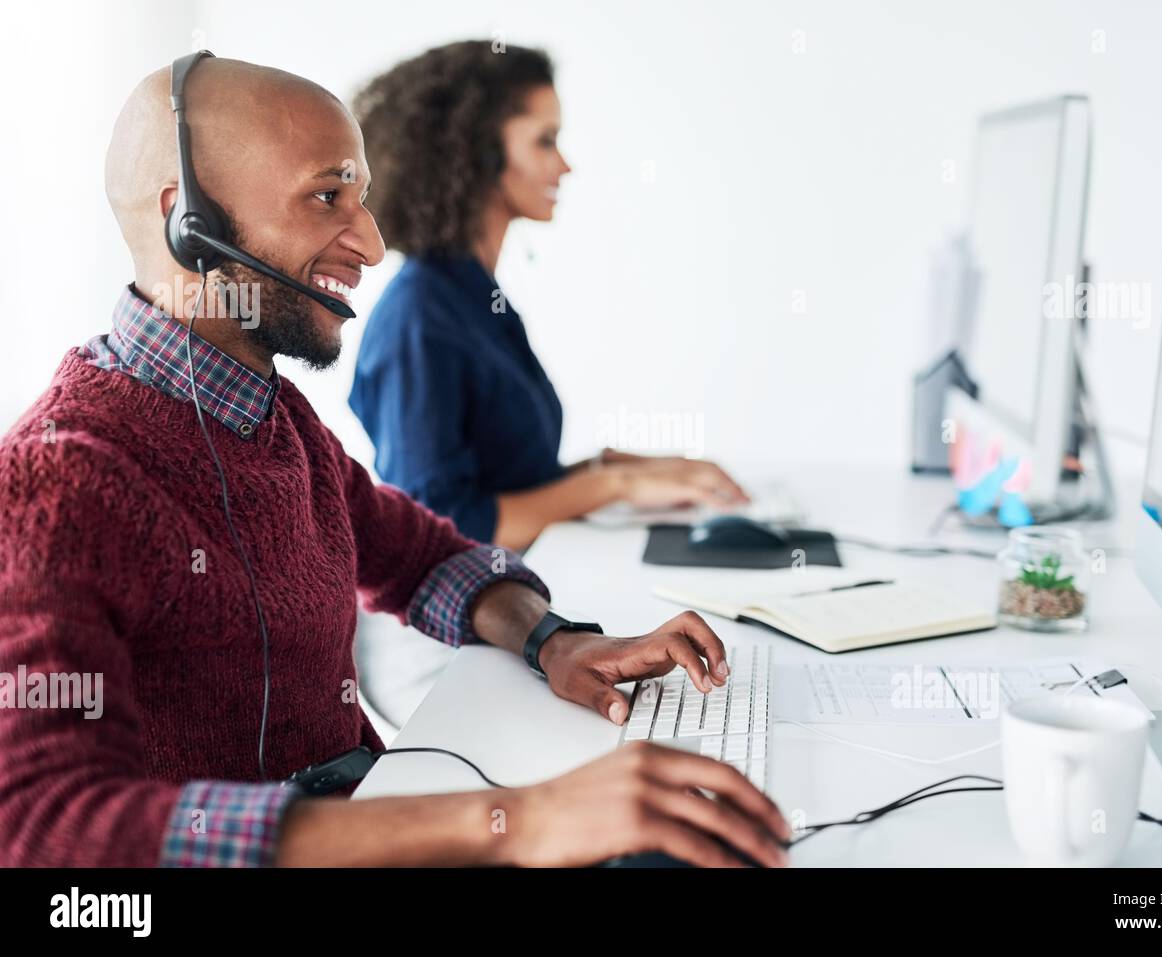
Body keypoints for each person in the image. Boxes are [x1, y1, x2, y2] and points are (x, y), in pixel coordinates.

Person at [0, 54, 789, 868]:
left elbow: (423, 556)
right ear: (188, 221)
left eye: (363, 199)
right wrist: (513, 822)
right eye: (327, 197)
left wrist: (555, 642)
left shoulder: (275, 420)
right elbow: (39, 823)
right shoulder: (58, 480)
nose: (373, 245)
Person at [349, 41, 749, 550]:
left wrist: (622, 469)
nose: (565, 166)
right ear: (478, 154)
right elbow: (440, 522)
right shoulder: (419, 315)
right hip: (467, 627)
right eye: (545, 141)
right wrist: (612, 485)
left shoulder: (474, 294)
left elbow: (515, 481)